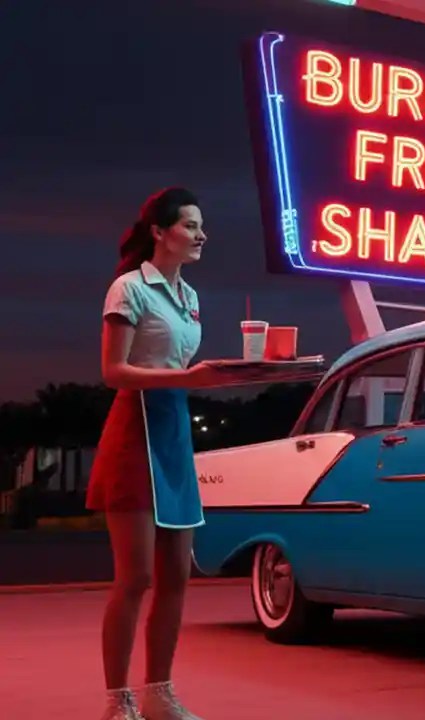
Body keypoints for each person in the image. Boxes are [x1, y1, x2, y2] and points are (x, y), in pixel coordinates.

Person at [87, 187, 231, 720]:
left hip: (173, 431)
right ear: (159, 231)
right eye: (191, 225)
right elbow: (112, 373)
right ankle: (116, 699)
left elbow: (185, 369)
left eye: (201, 226)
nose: (201, 235)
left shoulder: (189, 295)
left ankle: (158, 693)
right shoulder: (129, 288)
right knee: (135, 578)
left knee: (176, 575)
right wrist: (189, 377)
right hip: (134, 430)